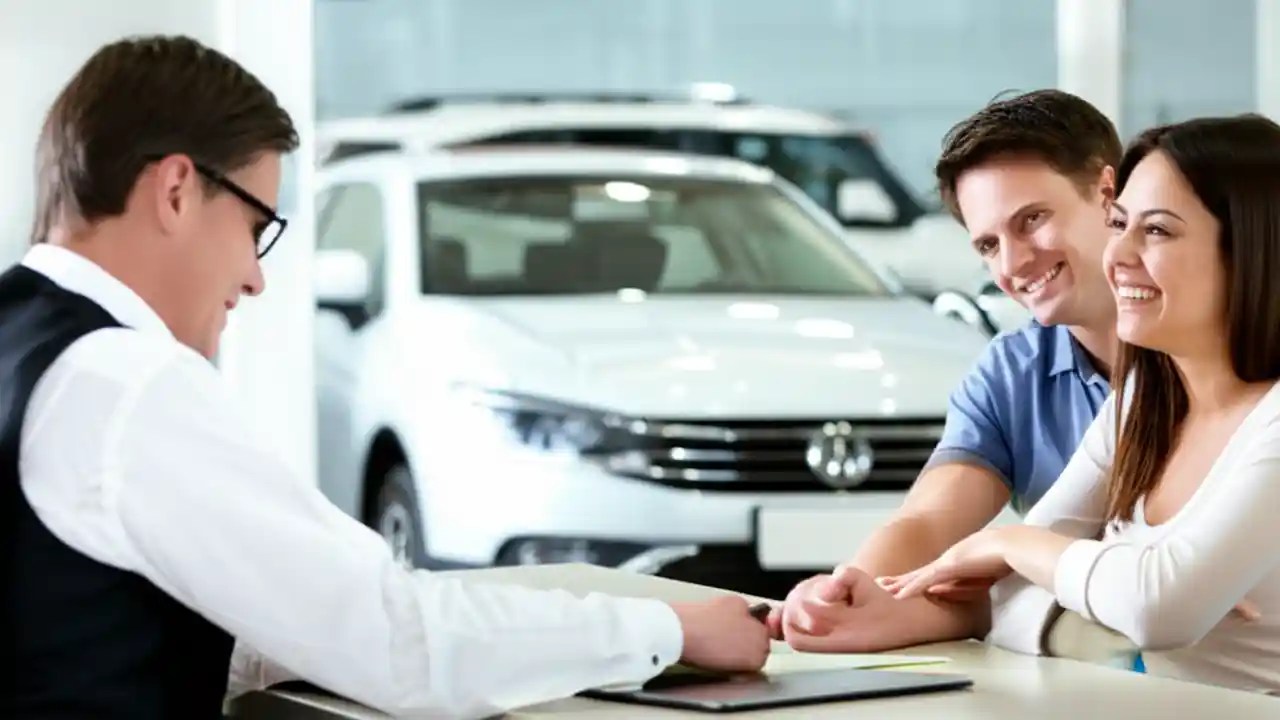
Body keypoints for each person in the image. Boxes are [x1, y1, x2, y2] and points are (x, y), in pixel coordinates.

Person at [0, 36, 768, 719]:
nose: (255, 278)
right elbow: (401, 645)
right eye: (257, 228)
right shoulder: (127, 381)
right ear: (175, 191)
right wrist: (670, 630)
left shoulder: (25, 345)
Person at [879, 114, 1280, 694]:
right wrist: (1112, 609)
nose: (1119, 254)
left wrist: (1008, 542)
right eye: (1120, 225)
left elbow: (1155, 607)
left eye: (1157, 230)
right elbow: (1002, 596)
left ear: (1251, 249)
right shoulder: (1143, 398)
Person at [766, 89, 1125, 652]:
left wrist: (992, 576)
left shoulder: (1220, 360)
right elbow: (929, 521)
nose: (1013, 263)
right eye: (988, 245)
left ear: (1108, 194)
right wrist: (848, 592)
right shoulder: (1013, 373)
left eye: (1032, 219)